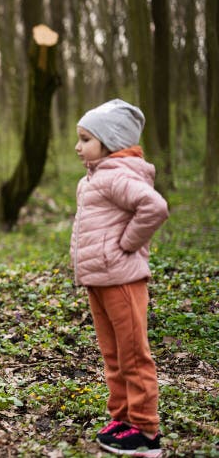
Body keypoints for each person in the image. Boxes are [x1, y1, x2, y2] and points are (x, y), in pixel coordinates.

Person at [70, 99, 169, 457]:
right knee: (113, 356)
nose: (78, 147)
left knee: (132, 355)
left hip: (122, 281)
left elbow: (154, 207)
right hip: (99, 280)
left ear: (109, 142)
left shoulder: (118, 175)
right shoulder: (94, 179)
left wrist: (127, 244)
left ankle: (145, 431)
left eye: (85, 139)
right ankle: (122, 418)